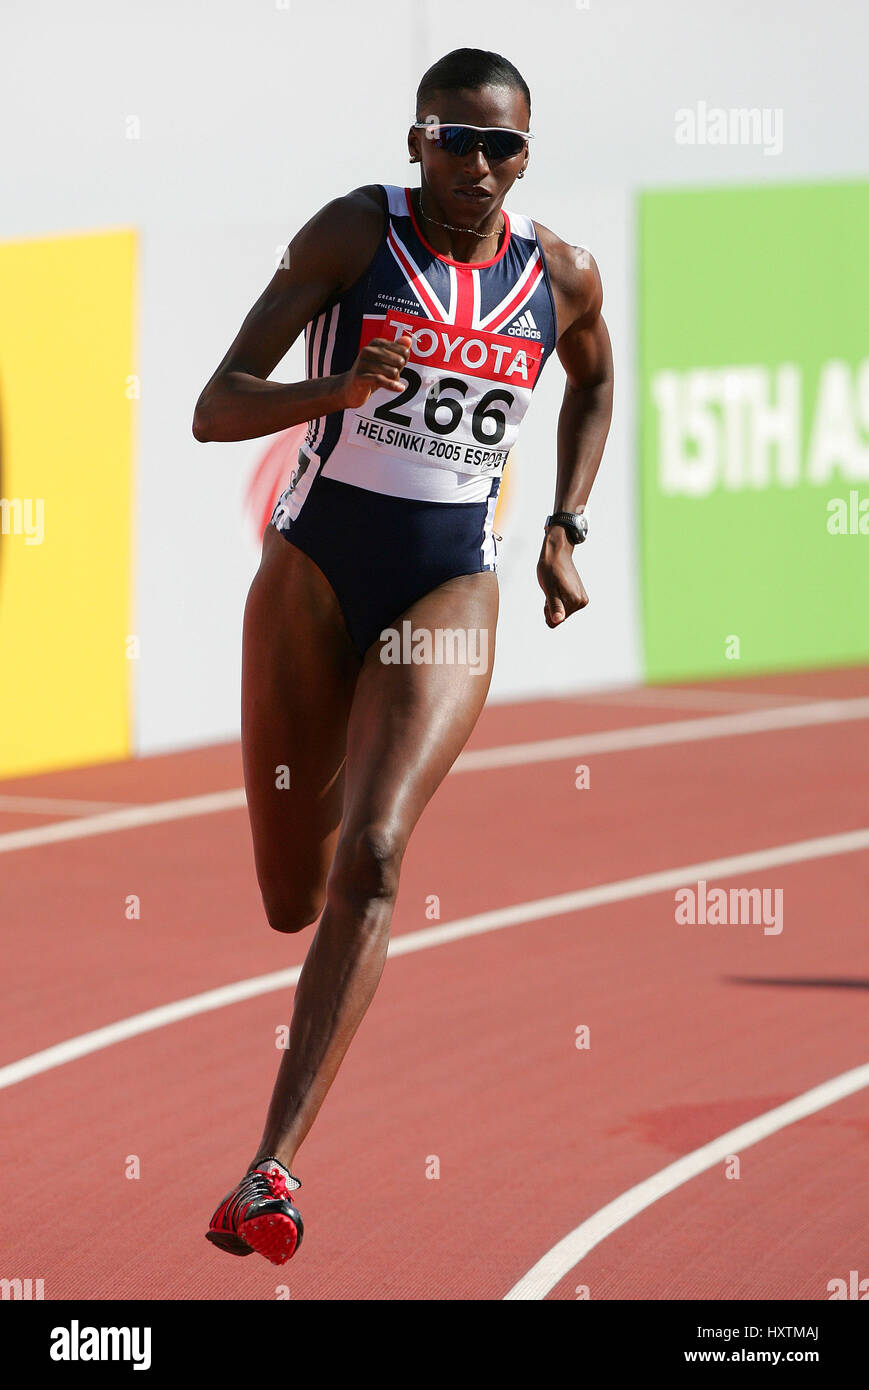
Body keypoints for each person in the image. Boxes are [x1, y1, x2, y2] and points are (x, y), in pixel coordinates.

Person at [193, 46, 613, 1266]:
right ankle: (311, 903)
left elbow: (591, 385)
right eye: (454, 139)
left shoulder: (562, 274)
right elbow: (215, 404)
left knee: (375, 857)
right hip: (312, 578)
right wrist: (327, 395)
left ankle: (268, 1172)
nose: (477, 167)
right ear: (414, 140)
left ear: (525, 155)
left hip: (449, 584)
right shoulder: (351, 236)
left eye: (503, 147)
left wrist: (563, 528)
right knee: (291, 895)